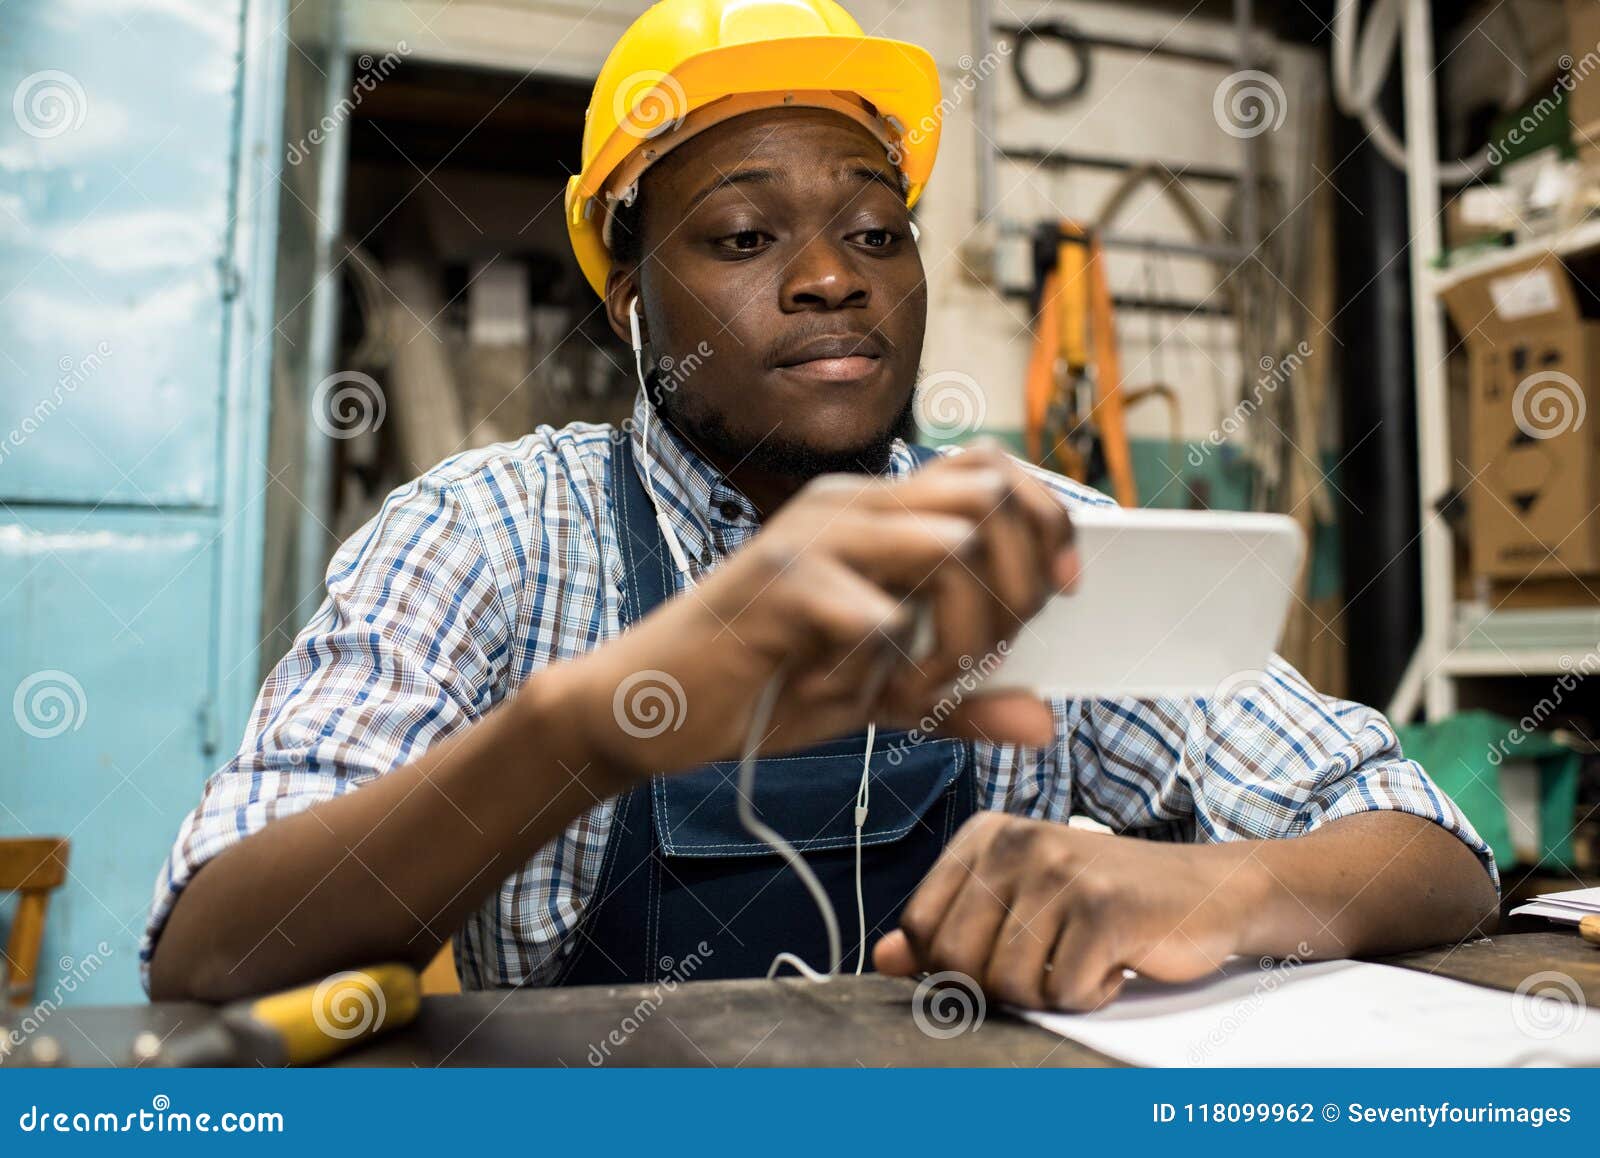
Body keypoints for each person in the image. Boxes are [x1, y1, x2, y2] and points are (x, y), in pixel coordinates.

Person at [145, 0, 1496, 1013]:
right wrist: (588, 724)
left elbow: (1433, 848)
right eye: (744, 238)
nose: (832, 279)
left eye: (875, 232)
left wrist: (1215, 888)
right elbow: (210, 946)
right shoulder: (489, 534)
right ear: (631, 302)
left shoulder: (1030, 538)